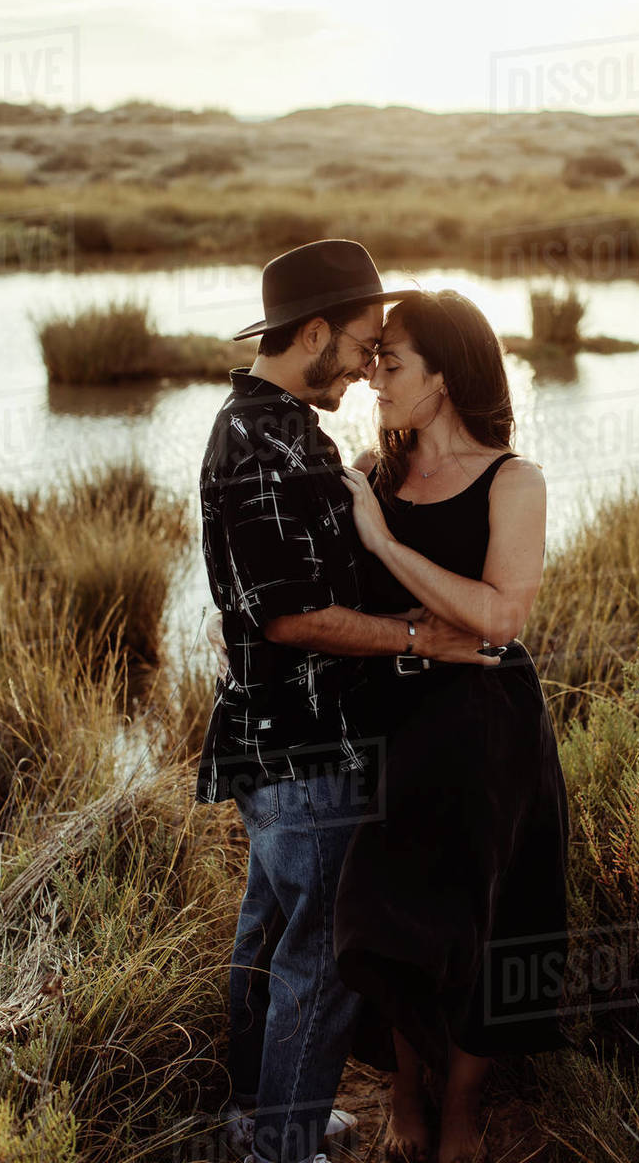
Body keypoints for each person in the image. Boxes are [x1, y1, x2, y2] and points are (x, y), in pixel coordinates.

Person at [196, 242, 501, 1163]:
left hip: (276, 737)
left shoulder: (276, 426)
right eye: (365, 344)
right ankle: (282, 1147)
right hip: (301, 748)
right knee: (321, 959)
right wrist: (418, 637)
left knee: (272, 927)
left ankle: (257, 1110)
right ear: (316, 333)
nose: (371, 364)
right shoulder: (262, 442)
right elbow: (291, 618)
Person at [331, 289, 572, 1163]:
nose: (372, 378)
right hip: (390, 713)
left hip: (485, 726)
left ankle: (463, 1104)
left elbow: (500, 618)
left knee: (489, 915)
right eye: (373, 361)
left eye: (390, 364)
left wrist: (388, 545)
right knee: (384, 919)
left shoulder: (516, 480)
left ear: (444, 375)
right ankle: (402, 1083)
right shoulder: (373, 473)